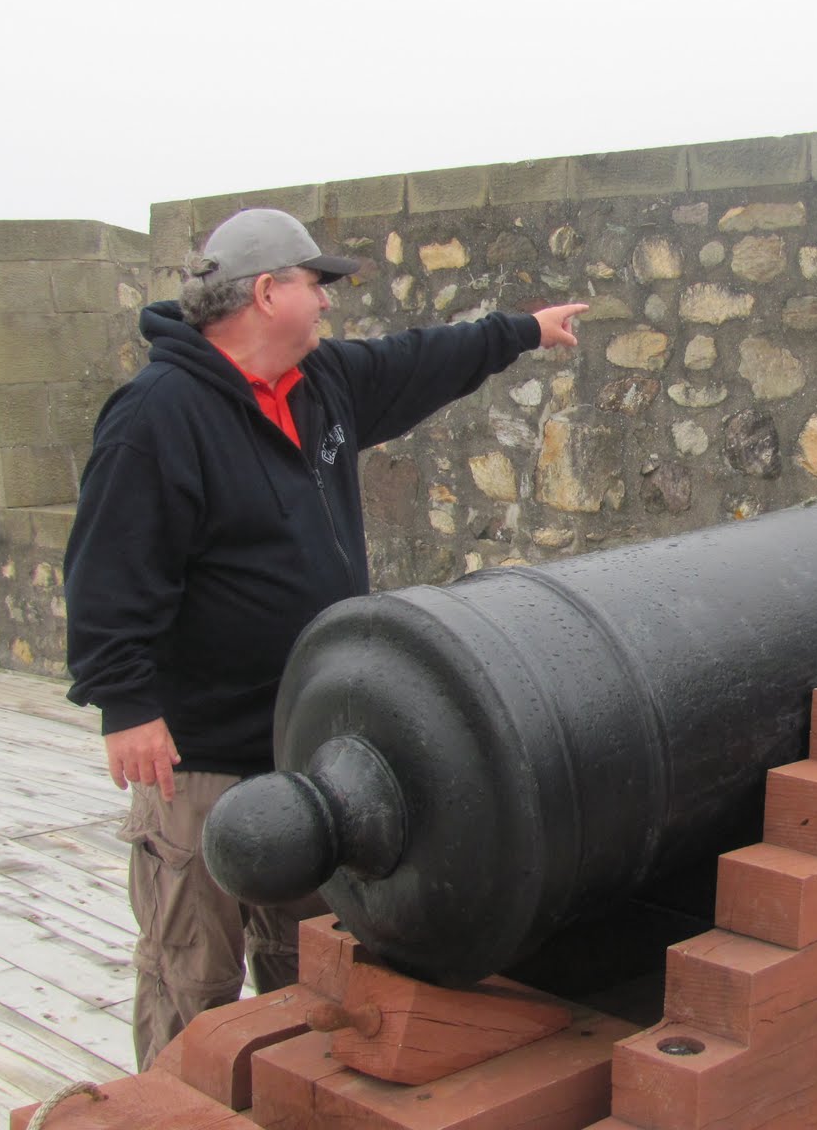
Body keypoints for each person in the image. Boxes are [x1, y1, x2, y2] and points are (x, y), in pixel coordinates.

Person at [63, 207, 584, 1069]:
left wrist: (521, 330)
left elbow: (420, 360)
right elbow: (110, 568)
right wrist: (125, 703)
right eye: (317, 284)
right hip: (202, 757)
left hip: (312, 744)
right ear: (268, 293)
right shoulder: (156, 417)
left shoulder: (323, 385)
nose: (329, 304)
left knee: (309, 968)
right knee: (191, 971)